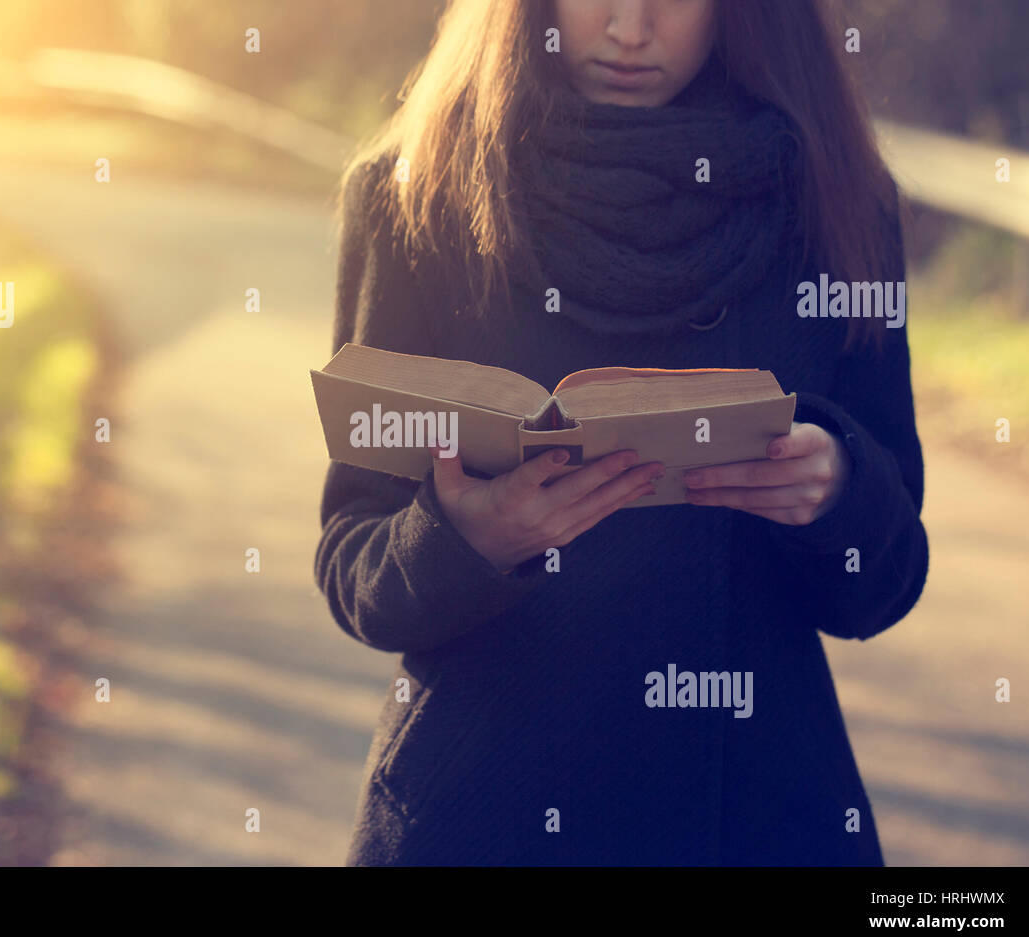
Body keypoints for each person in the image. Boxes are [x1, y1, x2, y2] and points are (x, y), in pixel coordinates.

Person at [315, 0, 929, 865]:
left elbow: (887, 582)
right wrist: (465, 540)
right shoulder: (418, 192)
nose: (631, 27)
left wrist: (836, 493)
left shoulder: (838, 203)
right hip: (479, 820)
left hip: (750, 819)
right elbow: (354, 564)